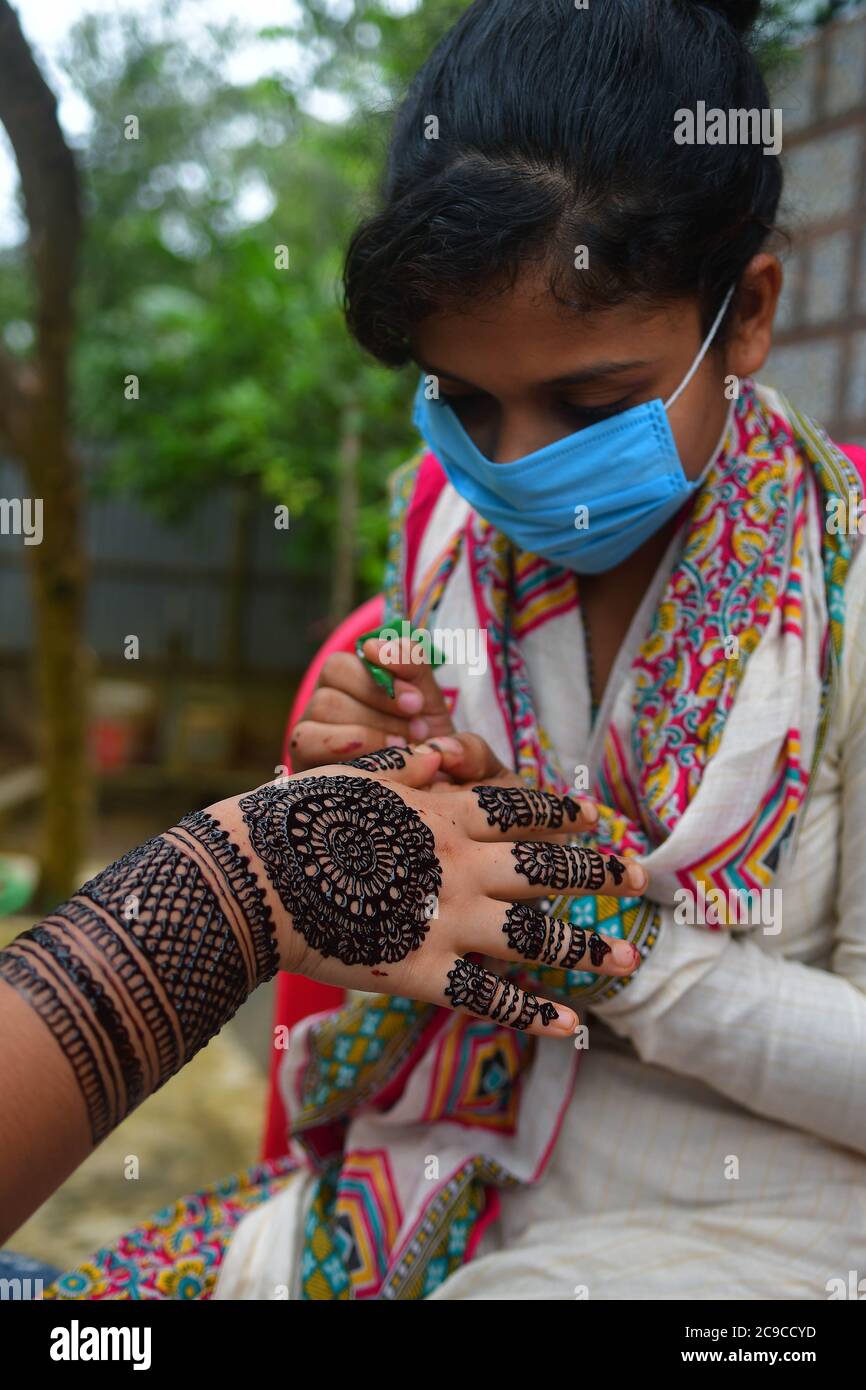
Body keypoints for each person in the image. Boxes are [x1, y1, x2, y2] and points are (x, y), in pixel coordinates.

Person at [18, 0, 866, 1300]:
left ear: (746, 317)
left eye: (591, 405)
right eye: (465, 403)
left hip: (743, 1239)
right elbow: (409, 872)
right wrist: (384, 792)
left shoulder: (845, 601)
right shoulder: (450, 559)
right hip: (429, 1165)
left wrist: (574, 919)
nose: (514, 468)